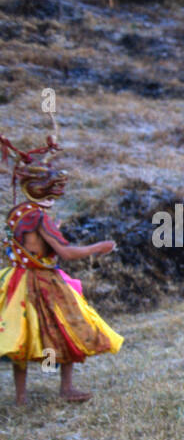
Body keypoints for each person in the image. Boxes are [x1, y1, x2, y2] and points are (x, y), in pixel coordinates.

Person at [1, 128, 121, 405]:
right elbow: (65, 252)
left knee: (22, 334)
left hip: (14, 280)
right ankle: (66, 389)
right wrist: (98, 247)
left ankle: (21, 398)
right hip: (43, 281)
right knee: (69, 327)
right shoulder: (41, 219)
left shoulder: (16, 213)